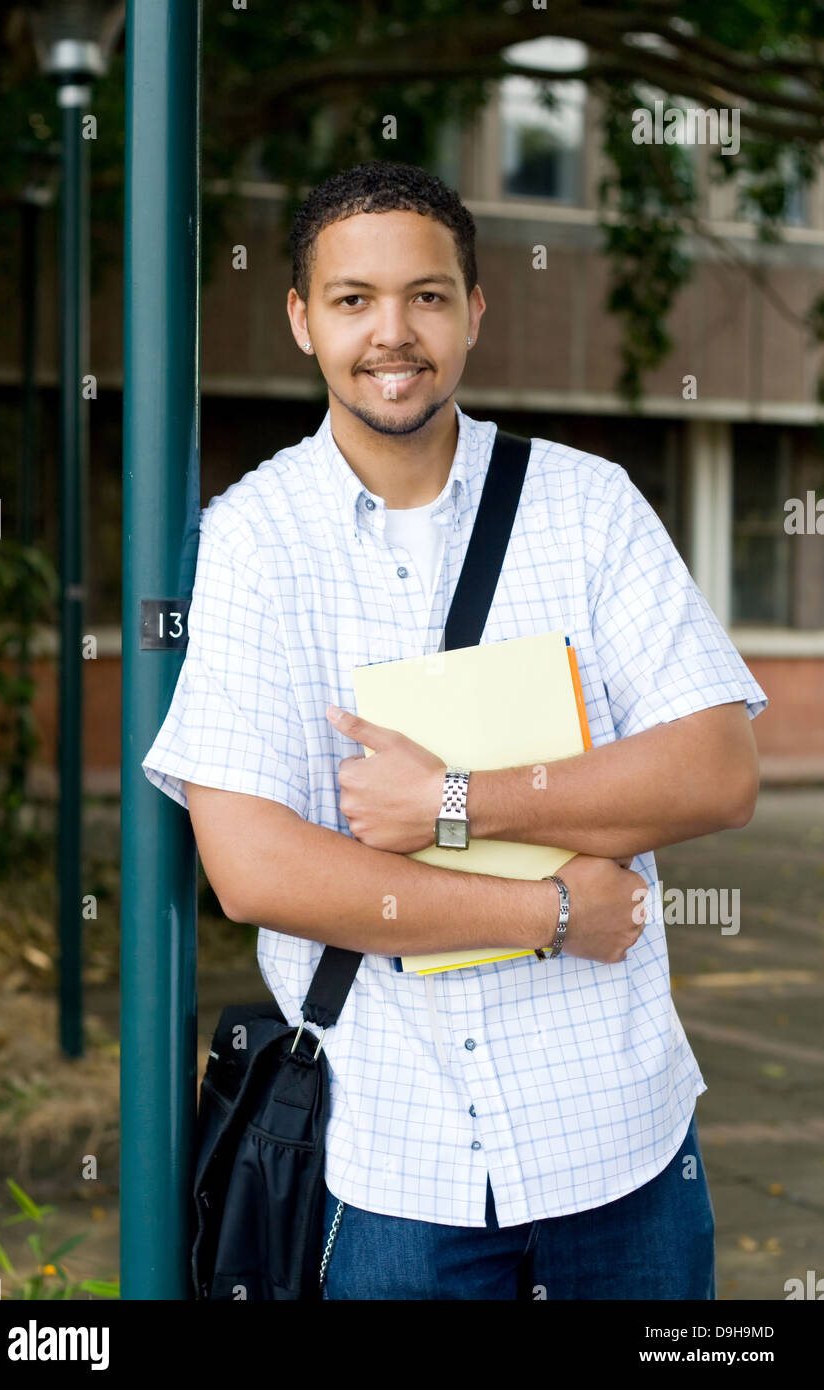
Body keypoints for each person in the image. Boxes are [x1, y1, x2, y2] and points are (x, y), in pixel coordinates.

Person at [141, 160, 767, 1300]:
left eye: (426, 296)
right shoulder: (254, 541)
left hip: (618, 1142)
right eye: (352, 299)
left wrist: (450, 800)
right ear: (300, 319)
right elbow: (252, 865)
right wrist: (550, 910)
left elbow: (717, 768)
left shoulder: (586, 505)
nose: (393, 332)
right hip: (393, 1164)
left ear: (474, 312)